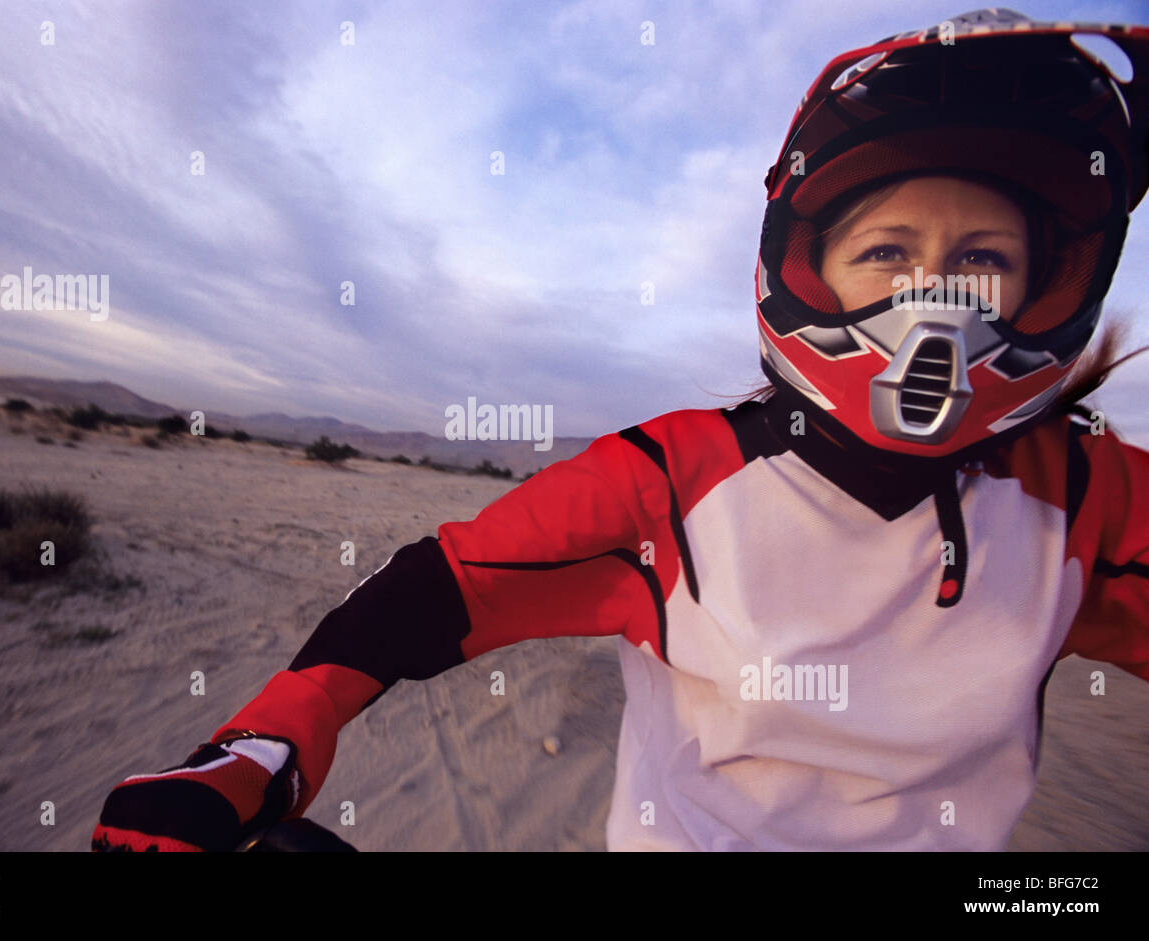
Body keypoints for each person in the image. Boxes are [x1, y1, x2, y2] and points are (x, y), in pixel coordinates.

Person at [92, 9, 1149, 852]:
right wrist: (262, 740)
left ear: (1045, 285)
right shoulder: (677, 477)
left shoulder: (1084, 491)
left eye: (979, 260)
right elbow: (441, 583)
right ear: (809, 264)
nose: (935, 297)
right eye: (887, 250)